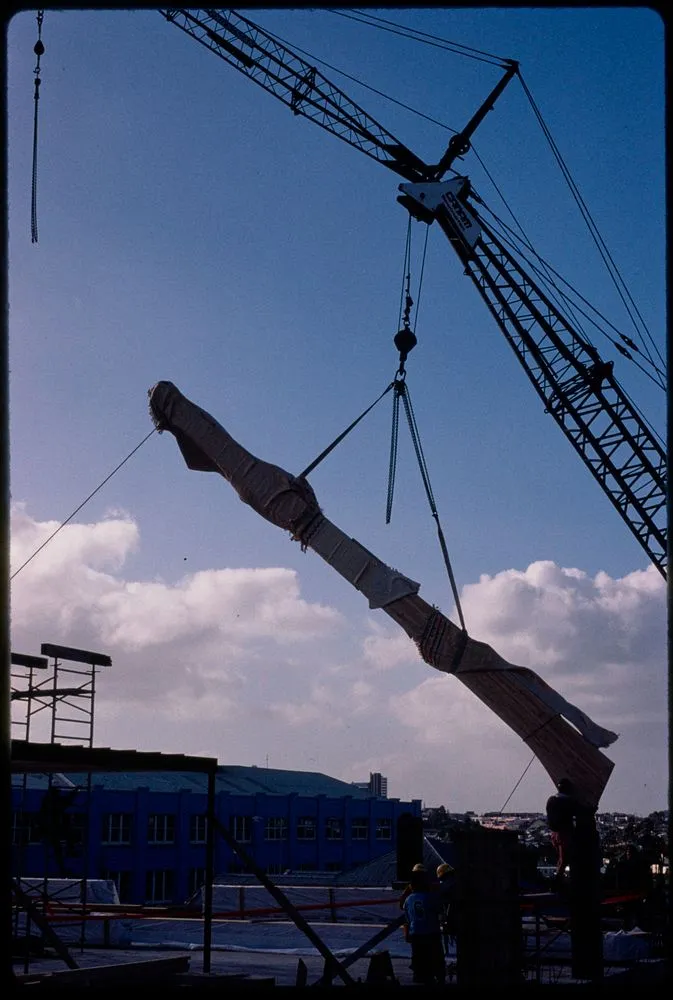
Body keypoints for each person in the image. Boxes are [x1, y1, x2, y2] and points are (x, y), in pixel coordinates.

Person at [402, 875, 446, 985]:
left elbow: (407, 917)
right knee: (436, 957)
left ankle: (420, 976)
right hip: (431, 933)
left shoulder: (408, 899)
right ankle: (438, 976)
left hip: (416, 933)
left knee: (418, 958)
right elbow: (441, 913)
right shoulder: (430, 897)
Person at [545, 777, 580, 883]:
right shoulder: (568, 801)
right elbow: (578, 812)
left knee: (561, 859)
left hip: (554, 834)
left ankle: (558, 880)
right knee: (565, 859)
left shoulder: (551, 800)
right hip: (564, 834)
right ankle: (557, 882)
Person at [436, 862, 457, 956]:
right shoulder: (454, 883)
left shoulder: (444, 886)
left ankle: (446, 951)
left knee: (445, 930)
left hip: (449, 911)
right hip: (450, 911)